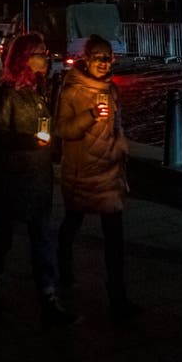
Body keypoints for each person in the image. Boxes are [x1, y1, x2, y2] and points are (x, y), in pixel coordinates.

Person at [0, 32, 77, 327]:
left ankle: (48, 296)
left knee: (42, 238)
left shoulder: (41, 90)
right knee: (4, 235)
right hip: (11, 178)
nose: (45, 57)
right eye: (39, 52)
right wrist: (29, 140)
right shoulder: (9, 92)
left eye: (45, 52)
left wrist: (53, 147)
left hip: (38, 178)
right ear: (24, 58)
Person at [55, 33, 141, 322]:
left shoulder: (111, 90)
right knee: (71, 224)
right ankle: (63, 271)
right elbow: (63, 130)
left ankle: (118, 295)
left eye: (108, 58)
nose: (104, 63)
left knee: (115, 239)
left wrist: (120, 143)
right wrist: (90, 115)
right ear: (86, 59)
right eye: (99, 58)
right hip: (83, 172)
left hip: (108, 174)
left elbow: (117, 125)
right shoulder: (72, 90)